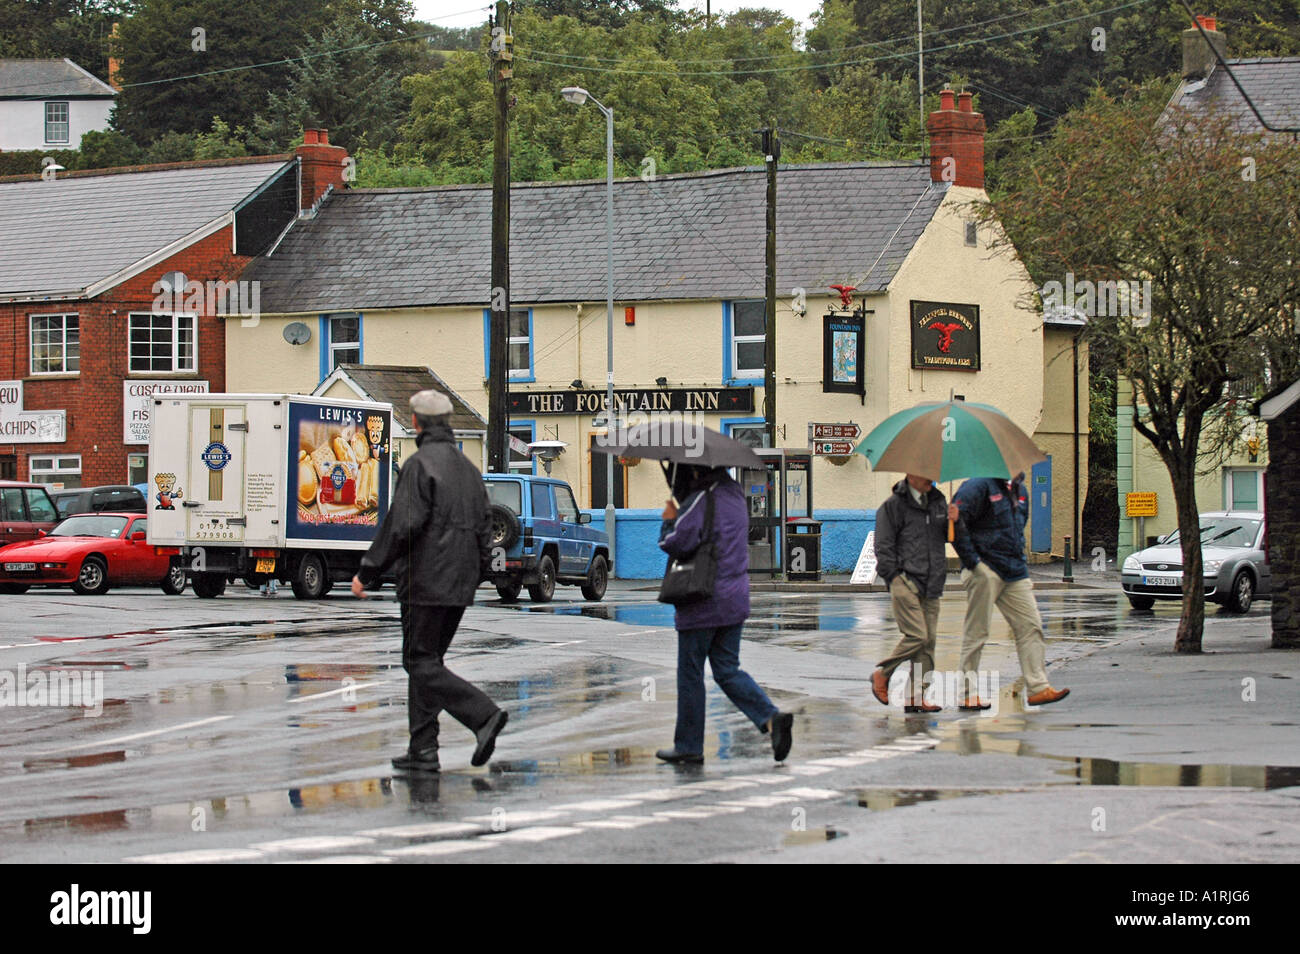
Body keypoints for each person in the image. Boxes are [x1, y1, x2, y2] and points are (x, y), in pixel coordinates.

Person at [351, 389, 508, 773]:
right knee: (428, 661)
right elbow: (486, 529)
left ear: (417, 423)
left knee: (418, 661)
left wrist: (368, 571)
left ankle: (483, 715)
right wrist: (479, 573)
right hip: (459, 584)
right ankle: (423, 750)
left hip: (425, 580)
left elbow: (402, 525)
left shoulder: (419, 465)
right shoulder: (468, 469)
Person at [654, 462, 794, 765]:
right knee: (727, 669)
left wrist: (669, 518)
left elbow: (675, 541)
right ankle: (772, 719)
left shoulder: (702, 498)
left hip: (702, 598)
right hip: (734, 599)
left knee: (690, 673)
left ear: (695, 471)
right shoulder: (734, 495)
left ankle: (689, 746)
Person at [950, 472, 1070, 707]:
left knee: (1031, 626)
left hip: (1014, 570)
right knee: (977, 632)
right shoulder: (977, 486)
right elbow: (955, 523)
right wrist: (974, 563)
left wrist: (1019, 560)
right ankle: (967, 694)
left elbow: (1017, 528)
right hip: (984, 569)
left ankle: (1038, 688)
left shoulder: (1020, 491)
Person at [869, 474, 950, 712]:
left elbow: (948, 536)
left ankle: (916, 697)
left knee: (928, 643)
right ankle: (883, 674)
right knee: (918, 636)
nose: (932, 479)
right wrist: (893, 578)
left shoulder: (938, 501)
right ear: (912, 474)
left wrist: (957, 521)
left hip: (932, 580)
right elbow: (883, 546)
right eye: (926, 474)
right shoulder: (893, 506)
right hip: (905, 580)